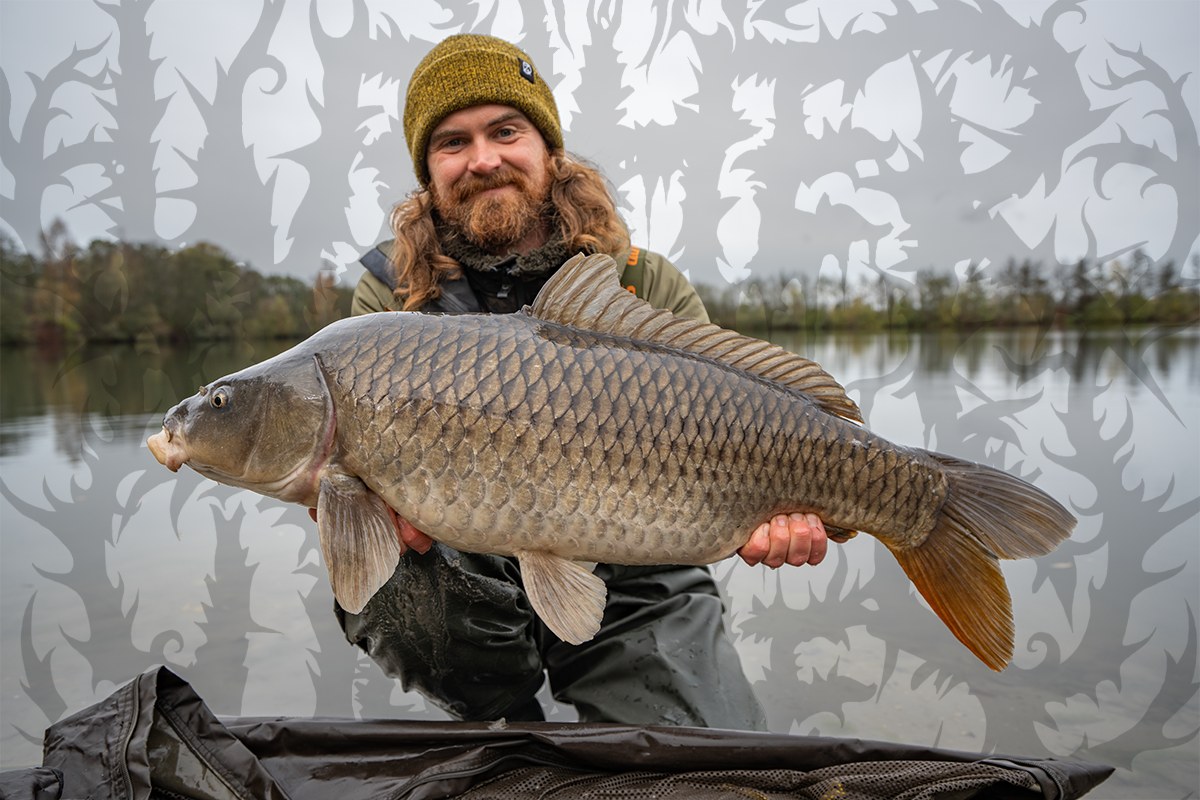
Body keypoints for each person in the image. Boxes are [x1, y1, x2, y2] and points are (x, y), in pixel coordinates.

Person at [336, 33, 828, 729]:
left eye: (506, 130)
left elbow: (735, 427)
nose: (483, 159)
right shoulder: (390, 299)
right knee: (389, 586)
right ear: (427, 173)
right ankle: (512, 735)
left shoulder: (641, 280)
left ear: (549, 149)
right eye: (452, 142)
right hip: (465, 563)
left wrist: (773, 514)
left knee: (705, 765)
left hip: (638, 565)